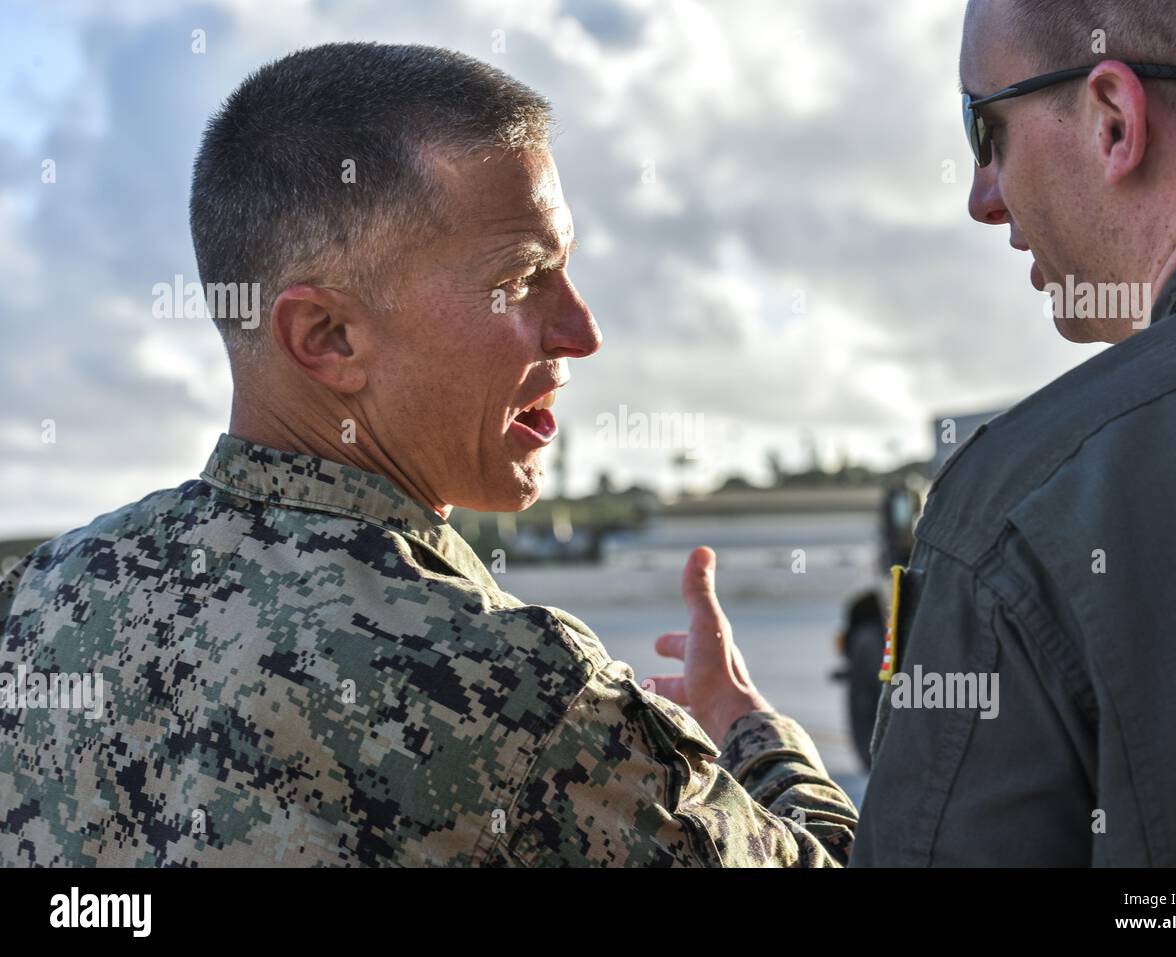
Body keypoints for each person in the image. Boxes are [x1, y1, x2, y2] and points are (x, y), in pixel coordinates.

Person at [0, 43, 856, 867]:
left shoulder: (37, 601)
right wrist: (749, 730)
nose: (582, 332)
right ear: (328, 336)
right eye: (522, 280)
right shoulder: (517, 690)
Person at [846, 0, 1176, 865]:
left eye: (986, 130)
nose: (982, 197)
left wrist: (762, 761)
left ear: (1114, 120)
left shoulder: (1027, 504)